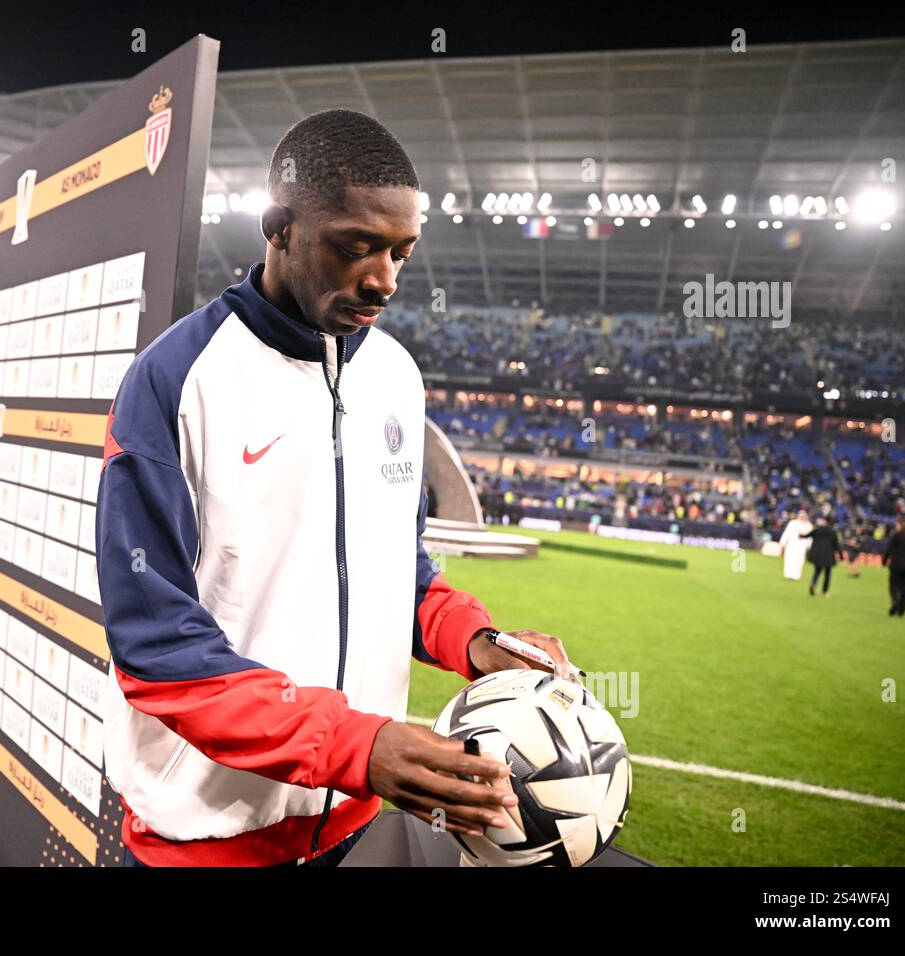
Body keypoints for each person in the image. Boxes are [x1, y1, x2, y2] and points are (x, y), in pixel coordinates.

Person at [96, 109, 574, 868]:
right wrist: (356, 743)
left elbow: (400, 572)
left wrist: (475, 641)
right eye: (356, 247)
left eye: (402, 254)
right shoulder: (174, 380)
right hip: (204, 842)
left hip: (357, 822)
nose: (383, 279)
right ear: (278, 227)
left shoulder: (396, 376)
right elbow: (155, 647)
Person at [801, 515, 842, 596]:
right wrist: (841, 556)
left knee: (817, 571)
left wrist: (800, 535)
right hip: (828, 555)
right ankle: (825, 591)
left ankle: (813, 584)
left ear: (825, 521)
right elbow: (836, 545)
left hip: (818, 555)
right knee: (827, 574)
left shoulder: (818, 529)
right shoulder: (833, 532)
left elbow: (807, 535)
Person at [778, 509, 813, 580]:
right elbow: (786, 533)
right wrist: (782, 543)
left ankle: (796, 575)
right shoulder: (792, 523)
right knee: (789, 559)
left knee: (799, 560)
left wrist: (810, 546)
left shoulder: (808, 525)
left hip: (802, 546)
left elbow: (810, 537)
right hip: (791, 544)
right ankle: (788, 574)